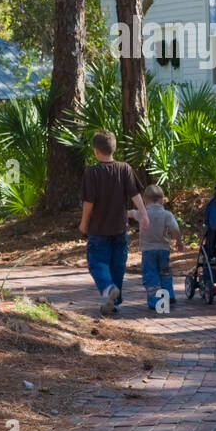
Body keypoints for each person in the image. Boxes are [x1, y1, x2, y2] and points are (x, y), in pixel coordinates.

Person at [79, 129, 149, 315]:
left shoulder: (91, 173)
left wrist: (84, 222)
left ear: (96, 151)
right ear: (113, 149)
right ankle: (114, 301)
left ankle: (108, 289)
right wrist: (144, 214)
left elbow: (89, 202)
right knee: (118, 264)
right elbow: (135, 194)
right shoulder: (124, 168)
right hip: (119, 228)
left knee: (97, 262)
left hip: (98, 228)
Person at [129, 184, 182, 312]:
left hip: (148, 250)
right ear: (162, 199)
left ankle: (157, 302)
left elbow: (130, 213)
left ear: (144, 200)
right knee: (165, 273)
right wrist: (178, 241)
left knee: (151, 274)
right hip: (163, 249)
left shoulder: (142, 214)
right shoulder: (167, 214)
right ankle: (168, 296)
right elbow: (175, 228)